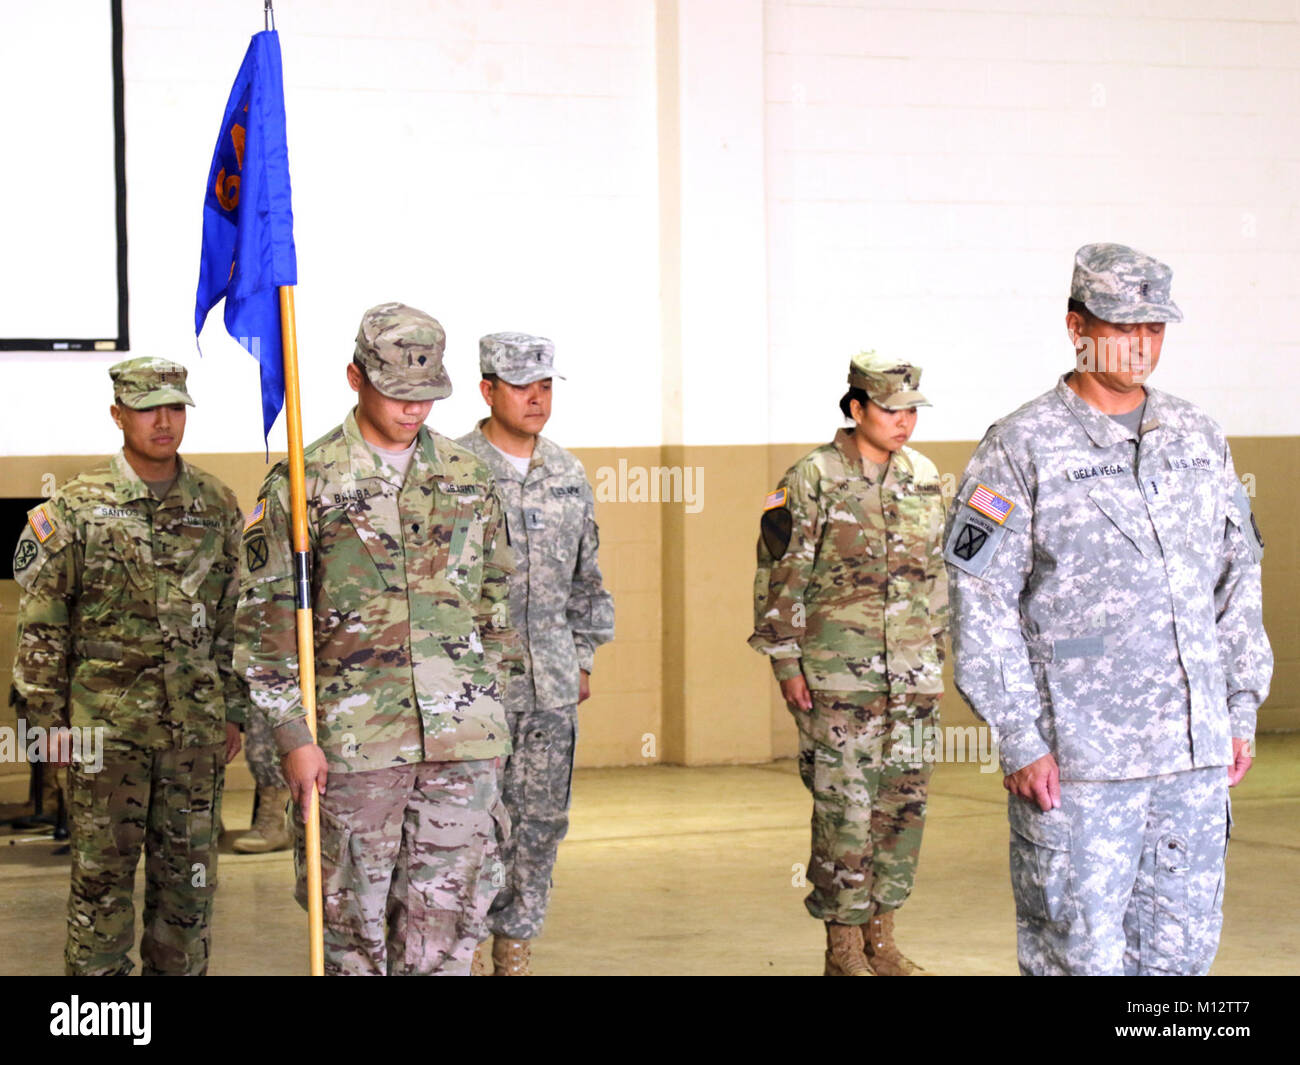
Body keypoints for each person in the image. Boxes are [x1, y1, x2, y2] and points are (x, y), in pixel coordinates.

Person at [945, 243, 1272, 976]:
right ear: (1076, 326)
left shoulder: (1197, 438)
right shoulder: (1019, 446)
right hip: (1082, 764)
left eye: (1155, 327)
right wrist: (1020, 737)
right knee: (1079, 957)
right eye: (1124, 325)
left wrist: (1239, 707)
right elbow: (981, 597)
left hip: (1192, 761)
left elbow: (1236, 579)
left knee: (1180, 957)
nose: (1143, 344)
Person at [233, 302, 519, 976]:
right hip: (354, 747)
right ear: (356, 377)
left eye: (426, 395)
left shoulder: (468, 478)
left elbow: (496, 604)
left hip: (462, 745)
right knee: (352, 931)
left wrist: (493, 712)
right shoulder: (305, 486)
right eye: (397, 393)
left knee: (447, 927)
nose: (413, 409)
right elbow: (262, 631)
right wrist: (293, 738)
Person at [11, 357, 246, 975]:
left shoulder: (217, 505)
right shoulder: (78, 508)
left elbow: (232, 620)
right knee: (100, 891)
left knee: (189, 891)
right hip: (104, 737)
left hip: (193, 736)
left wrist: (234, 711)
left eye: (175, 408)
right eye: (148, 409)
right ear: (119, 415)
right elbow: (42, 625)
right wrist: (45, 722)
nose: (164, 422)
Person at [749, 351, 948, 976]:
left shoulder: (924, 475)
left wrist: (936, 651)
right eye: (890, 408)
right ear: (857, 407)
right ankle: (842, 950)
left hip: (913, 678)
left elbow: (939, 573)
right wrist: (785, 661)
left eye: (911, 409)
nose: (903, 421)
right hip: (839, 679)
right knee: (845, 812)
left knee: (902, 809)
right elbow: (782, 573)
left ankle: (882, 942)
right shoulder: (810, 478)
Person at [456, 332, 614, 976]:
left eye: (545, 385)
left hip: (550, 683)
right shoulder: (452, 468)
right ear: (488, 389)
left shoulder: (567, 472)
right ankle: (457, 950)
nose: (536, 398)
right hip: (473, 690)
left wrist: (583, 657)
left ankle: (514, 951)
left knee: (540, 822)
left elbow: (587, 577)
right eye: (521, 386)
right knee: (466, 828)